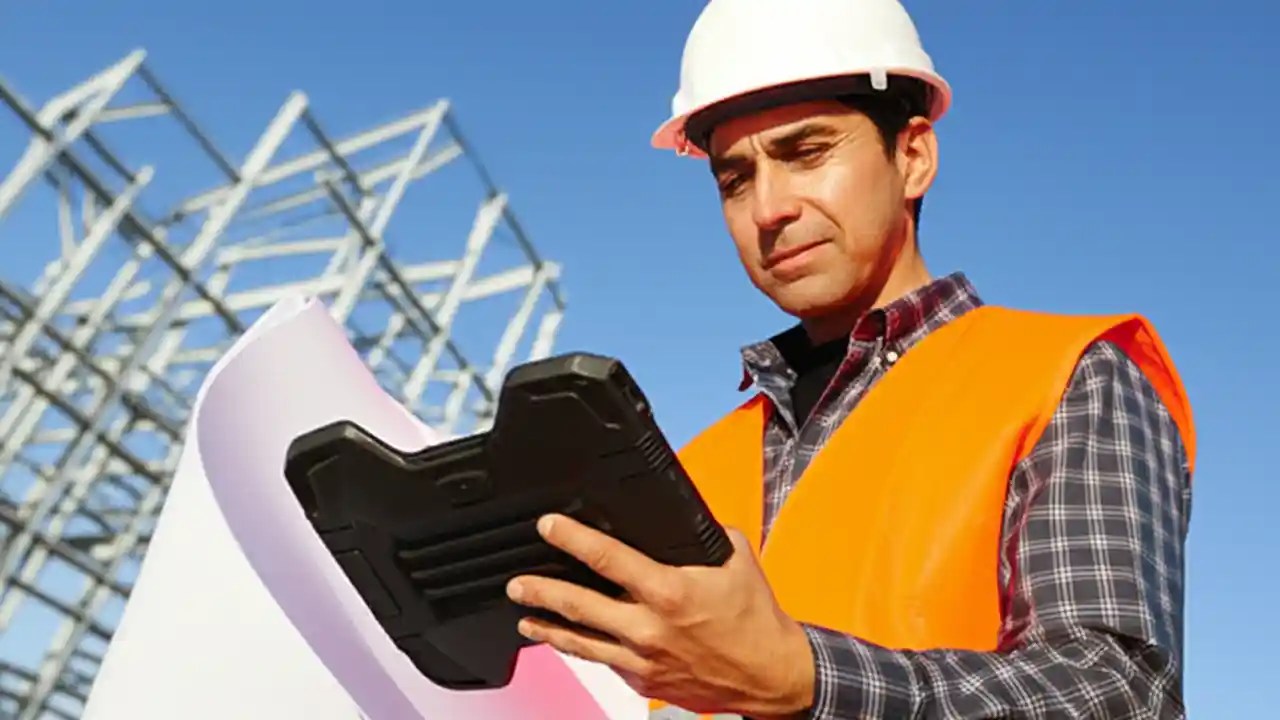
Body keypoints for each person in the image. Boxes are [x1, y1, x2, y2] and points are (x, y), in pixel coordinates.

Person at [505, 0, 1196, 718]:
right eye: (735, 178)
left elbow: (1116, 694)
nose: (769, 208)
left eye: (806, 153)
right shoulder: (697, 467)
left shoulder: (1060, 377)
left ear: (914, 157)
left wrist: (807, 681)